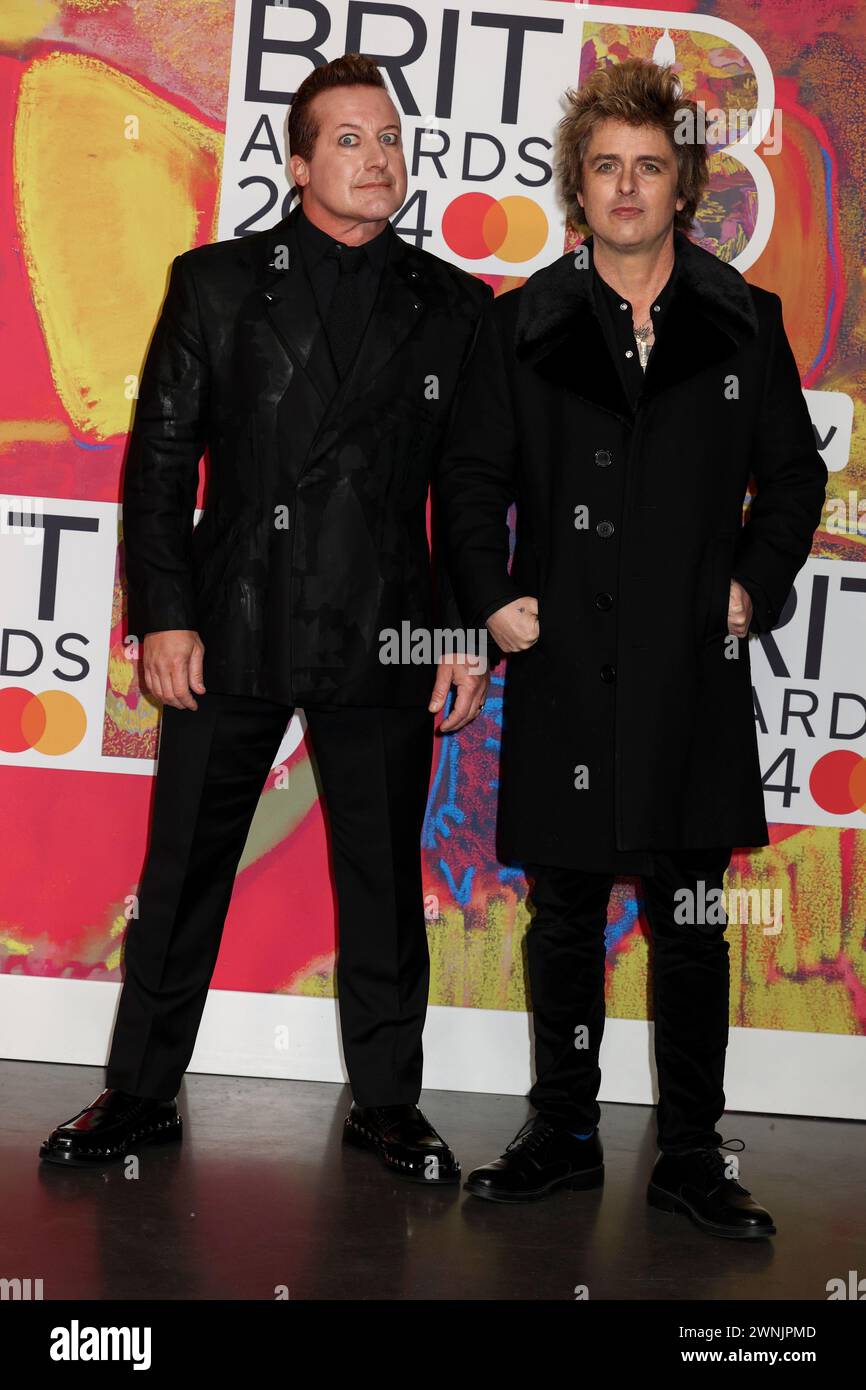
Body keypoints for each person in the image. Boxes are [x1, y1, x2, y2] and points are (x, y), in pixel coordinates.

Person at [39, 53, 491, 1180]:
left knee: (383, 886)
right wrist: (165, 615)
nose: (377, 156)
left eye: (388, 137)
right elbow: (161, 463)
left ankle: (387, 1105)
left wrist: (457, 632)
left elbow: (470, 492)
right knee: (184, 866)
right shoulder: (218, 282)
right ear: (296, 164)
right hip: (232, 618)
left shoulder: (452, 306)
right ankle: (138, 1092)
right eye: (349, 139)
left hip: (386, 625)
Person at [437, 57, 826, 1236]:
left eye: (646, 167)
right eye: (604, 166)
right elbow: (466, 478)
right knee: (560, 913)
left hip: (688, 682)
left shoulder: (741, 320)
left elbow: (796, 473)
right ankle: (558, 1130)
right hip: (562, 672)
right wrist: (494, 597)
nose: (624, 186)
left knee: (689, 917)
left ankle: (693, 1154)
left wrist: (751, 587)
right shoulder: (522, 324)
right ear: (577, 185)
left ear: (680, 186)